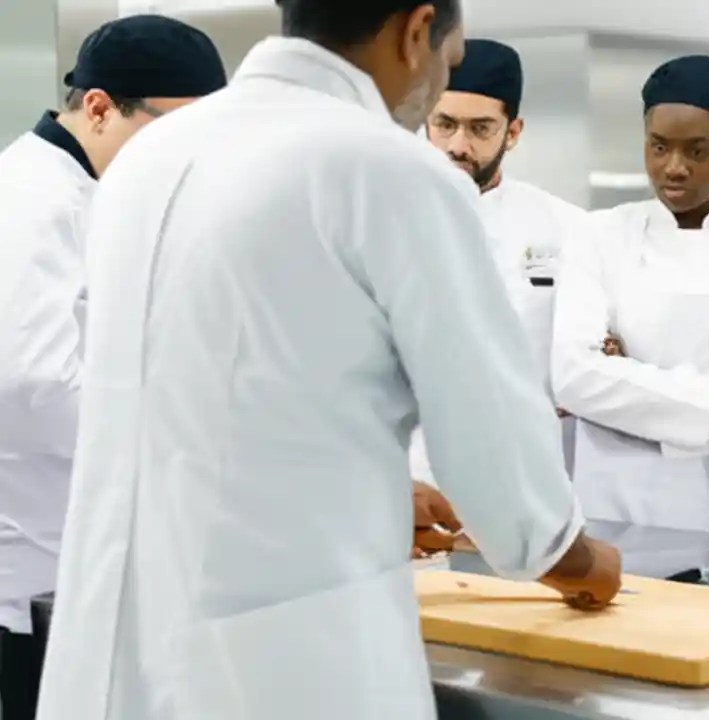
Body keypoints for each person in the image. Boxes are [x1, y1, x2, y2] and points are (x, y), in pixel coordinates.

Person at [35, 2, 621, 719]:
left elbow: (212, 395)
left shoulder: (149, 156)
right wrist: (576, 558)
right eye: (451, 58)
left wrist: (369, 491)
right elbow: (492, 450)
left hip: (112, 642)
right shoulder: (391, 169)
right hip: (279, 657)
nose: (441, 83)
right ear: (416, 31)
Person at [0, 15, 226, 720]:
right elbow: (28, 385)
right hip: (34, 570)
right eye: (171, 134)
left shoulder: (98, 194)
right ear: (98, 106)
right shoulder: (29, 199)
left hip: (87, 565)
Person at [551, 55, 709, 538]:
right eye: (658, 147)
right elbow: (575, 378)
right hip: (609, 508)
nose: (674, 168)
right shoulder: (598, 234)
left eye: (697, 151)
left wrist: (627, 385)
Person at [412, 38, 586, 486]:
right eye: (444, 124)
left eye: (481, 129)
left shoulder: (568, 228)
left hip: (527, 470)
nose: (458, 145)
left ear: (513, 132)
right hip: (411, 470)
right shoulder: (379, 216)